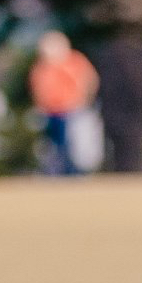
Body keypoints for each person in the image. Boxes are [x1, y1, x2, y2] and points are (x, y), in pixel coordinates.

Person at [29, 31, 98, 177]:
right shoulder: (42, 67)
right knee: (54, 144)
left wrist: (81, 100)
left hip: (72, 110)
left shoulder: (74, 63)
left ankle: (74, 172)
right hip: (51, 111)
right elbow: (38, 88)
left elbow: (88, 81)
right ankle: (57, 171)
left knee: (73, 143)